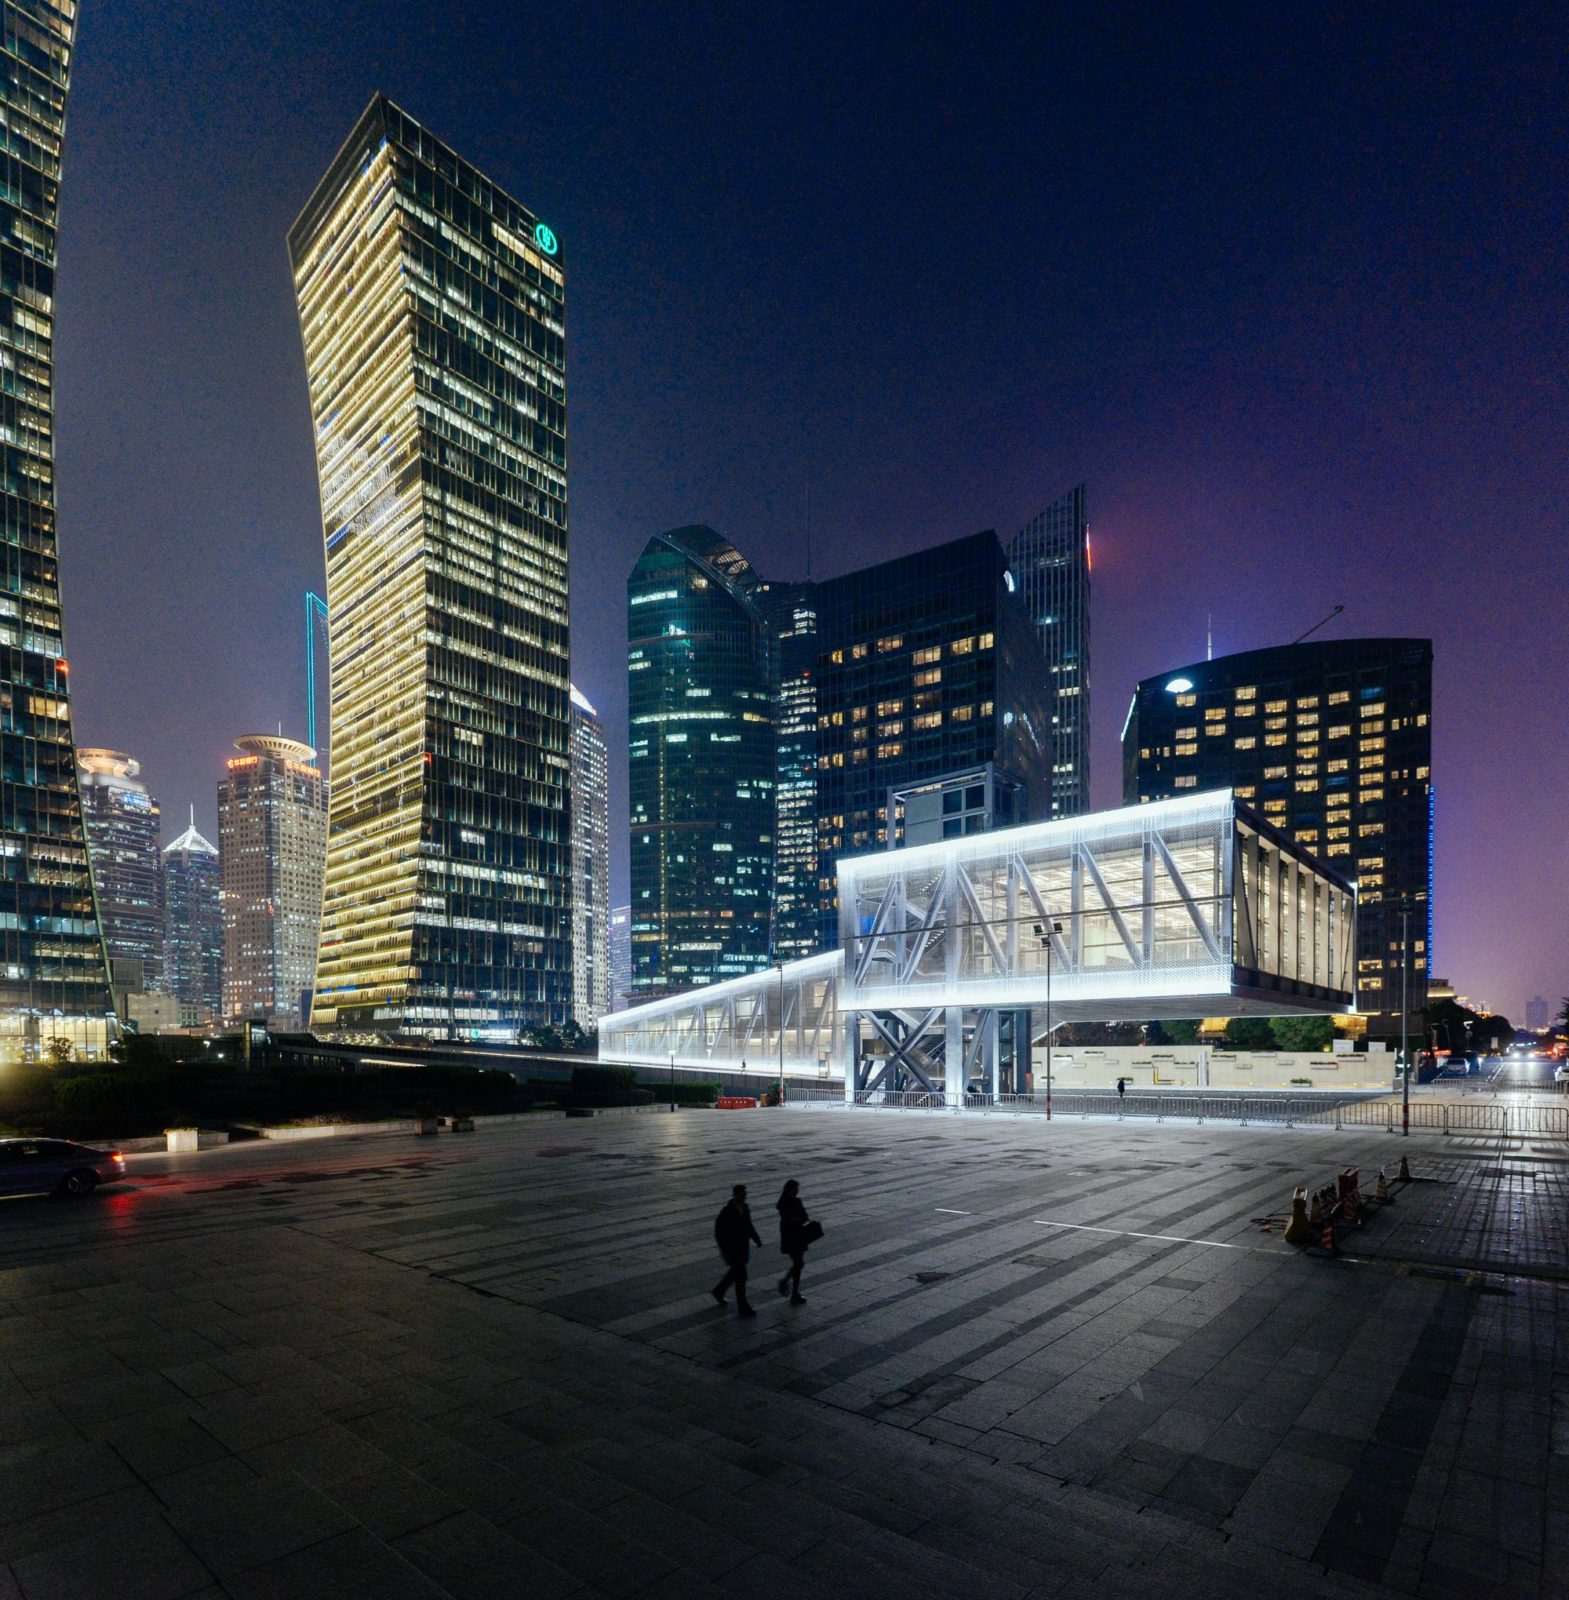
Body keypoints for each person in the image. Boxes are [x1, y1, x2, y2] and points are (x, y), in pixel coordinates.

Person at [712, 1184, 762, 1316]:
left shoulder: (745, 1208)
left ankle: (719, 1290)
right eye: (742, 1194)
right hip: (732, 1249)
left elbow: (749, 1225)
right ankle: (743, 1307)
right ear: (735, 1195)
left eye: (745, 1193)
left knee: (735, 1273)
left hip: (742, 1248)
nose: (745, 1196)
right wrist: (724, 1250)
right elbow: (719, 1232)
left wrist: (756, 1239)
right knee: (741, 1277)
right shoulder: (727, 1211)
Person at [776, 1178, 812, 1304]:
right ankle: (786, 1283)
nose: (797, 1192)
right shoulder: (784, 1204)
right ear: (789, 1190)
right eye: (795, 1189)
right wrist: (797, 1219)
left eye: (797, 1189)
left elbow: (804, 1216)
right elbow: (789, 1218)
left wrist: (798, 1219)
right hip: (790, 1237)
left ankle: (794, 1292)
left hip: (798, 1235)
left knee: (799, 1264)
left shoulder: (796, 1201)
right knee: (798, 1263)